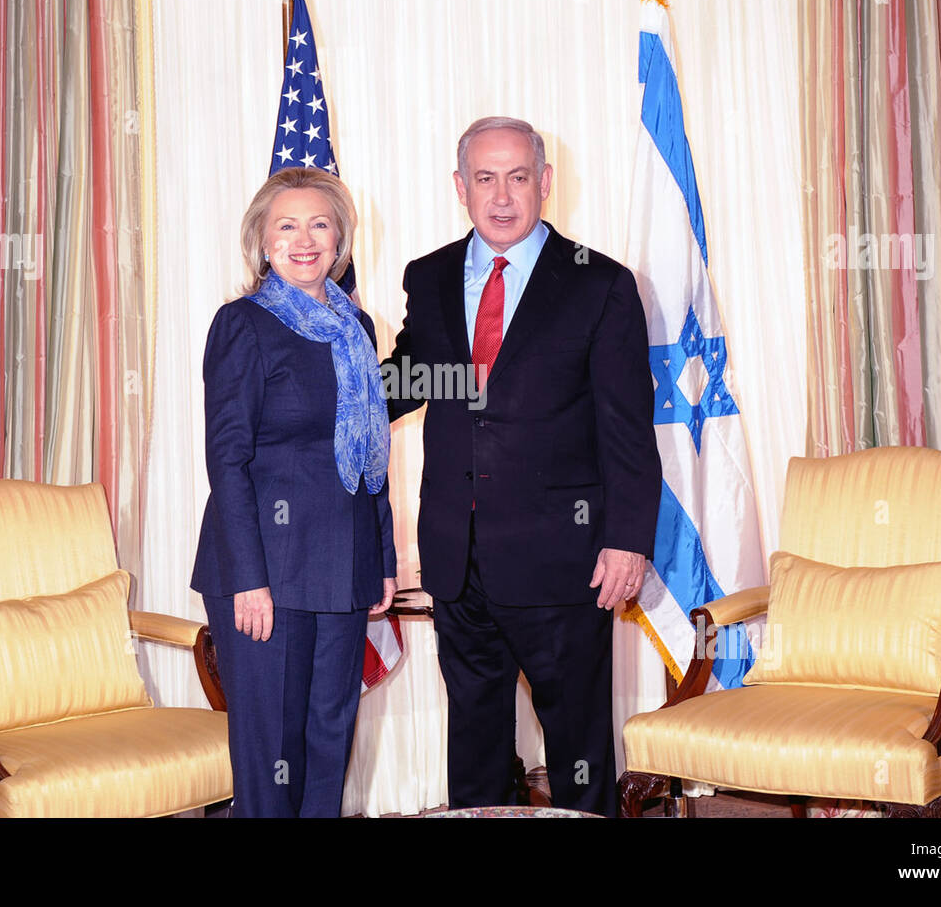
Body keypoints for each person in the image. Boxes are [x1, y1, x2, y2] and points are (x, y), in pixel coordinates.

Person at [385, 117, 660, 816]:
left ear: (545, 182)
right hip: (457, 557)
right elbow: (412, 380)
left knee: (577, 748)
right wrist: (312, 382)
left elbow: (627, 429)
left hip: (564, 559)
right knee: (474, 742)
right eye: (485, 178)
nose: (501, 196)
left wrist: (627, 539)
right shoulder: (430, 275)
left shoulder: (600, 284)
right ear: (460, 187)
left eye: (517, 177)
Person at [191, 167, 397, 818]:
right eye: (287, 225)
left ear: (340, 239)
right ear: (262, 239)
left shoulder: (357, 328)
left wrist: (382, 559)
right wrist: (248, 579)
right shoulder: (242, 325)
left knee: (328, 743)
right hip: (266, 574)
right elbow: (226, 460)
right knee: (272, 754)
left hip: (344, 565)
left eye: (319, 224)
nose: (304, 240)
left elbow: (371, 451)